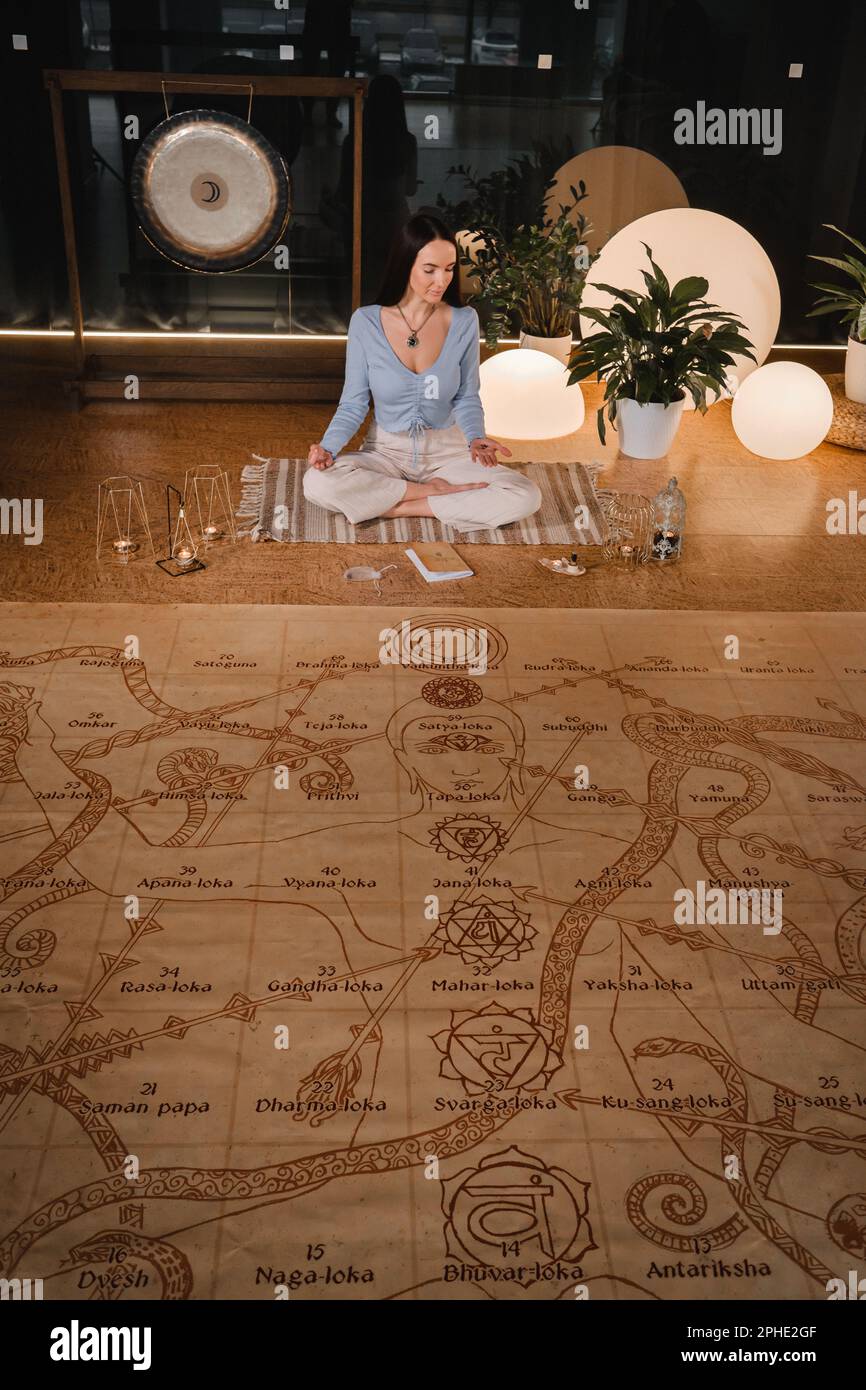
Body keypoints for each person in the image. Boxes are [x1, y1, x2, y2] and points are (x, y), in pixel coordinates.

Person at [303, 213, 542, 532]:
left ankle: (395, 508)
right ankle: (432, 495)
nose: (441, 281)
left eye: (448, 269)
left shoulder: (463, 320)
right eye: (430, 270)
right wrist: (328, 448)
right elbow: (353, 404)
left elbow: (467, 395)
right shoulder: (367, 322)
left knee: (526, 496)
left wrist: (475, 438)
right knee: (316, 482)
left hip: (450, 455)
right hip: (386, 453)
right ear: (405, 265)